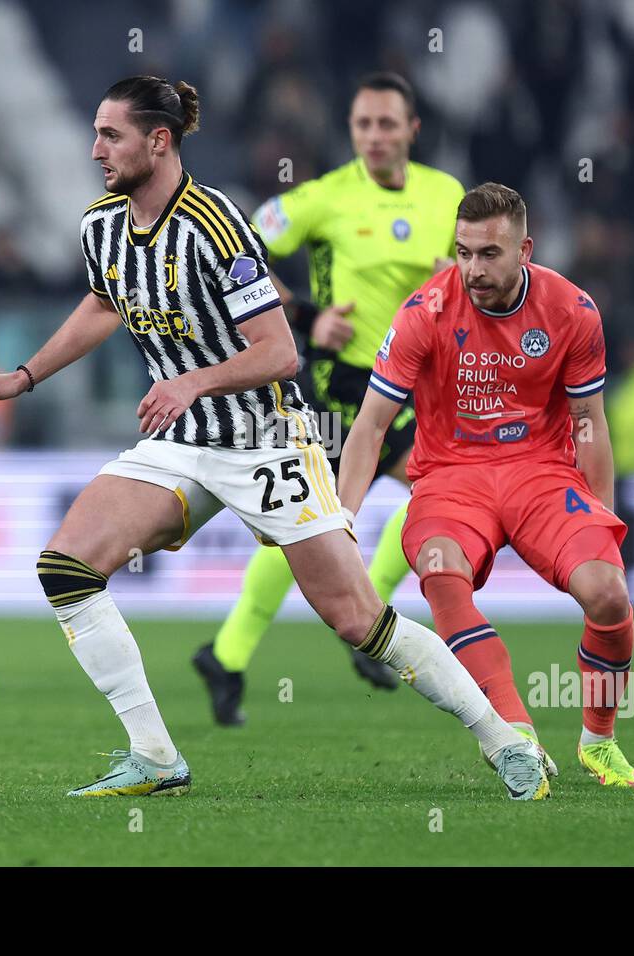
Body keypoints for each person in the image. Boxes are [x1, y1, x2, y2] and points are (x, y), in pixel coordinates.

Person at [0, 78, 551, 800]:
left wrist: (192, 382)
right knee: (67, 568)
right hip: (181, 441)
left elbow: (279, 352)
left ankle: (504, 742)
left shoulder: (216, 226)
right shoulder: (101, 225)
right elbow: (103, 301)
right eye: (95, 133)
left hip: (265, 436)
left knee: (358, 618)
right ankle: (153, 754)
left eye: (110, 135)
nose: (95, 150)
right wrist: (24, 376)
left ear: (159, 141)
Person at [338, 182, 634, 788]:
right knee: (440, 573)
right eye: (463, 252)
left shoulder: (573, 311)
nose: (472, 270)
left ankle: (599, 741)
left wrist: (602, 518)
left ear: (525, 249)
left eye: (488, 254)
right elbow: (370, 426)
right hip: (450, 480)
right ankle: (514, 735)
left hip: (541, 476)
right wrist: (342, 521)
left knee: (608, 596)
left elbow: (589, 422)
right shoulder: (423, 312)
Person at [194, 72, 465, 725]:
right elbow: (237, 251)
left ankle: (230, 654)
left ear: (412, 130)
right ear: (352, 130)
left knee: (337, 517)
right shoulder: (325, 198)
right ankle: (366, 620)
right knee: (420, 495)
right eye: (363, 125)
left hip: (416, 380)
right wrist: (307, 315)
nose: (374, 136)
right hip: (340, 382)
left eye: (387, 124)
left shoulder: (446, 194)